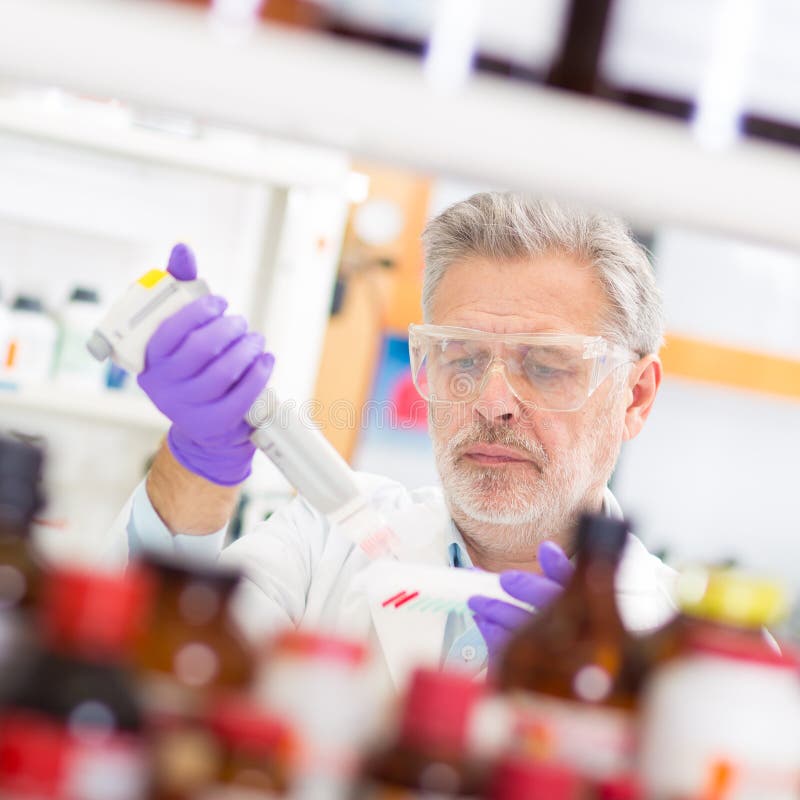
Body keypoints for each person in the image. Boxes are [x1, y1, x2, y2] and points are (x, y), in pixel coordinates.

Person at [106, 192, 675, 689]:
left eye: (548, 365)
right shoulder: (322, 545)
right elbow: (145, 672)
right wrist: (198, 459)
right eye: (463, 357)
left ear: (636, 397)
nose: (492, 402)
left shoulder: (682, 653)